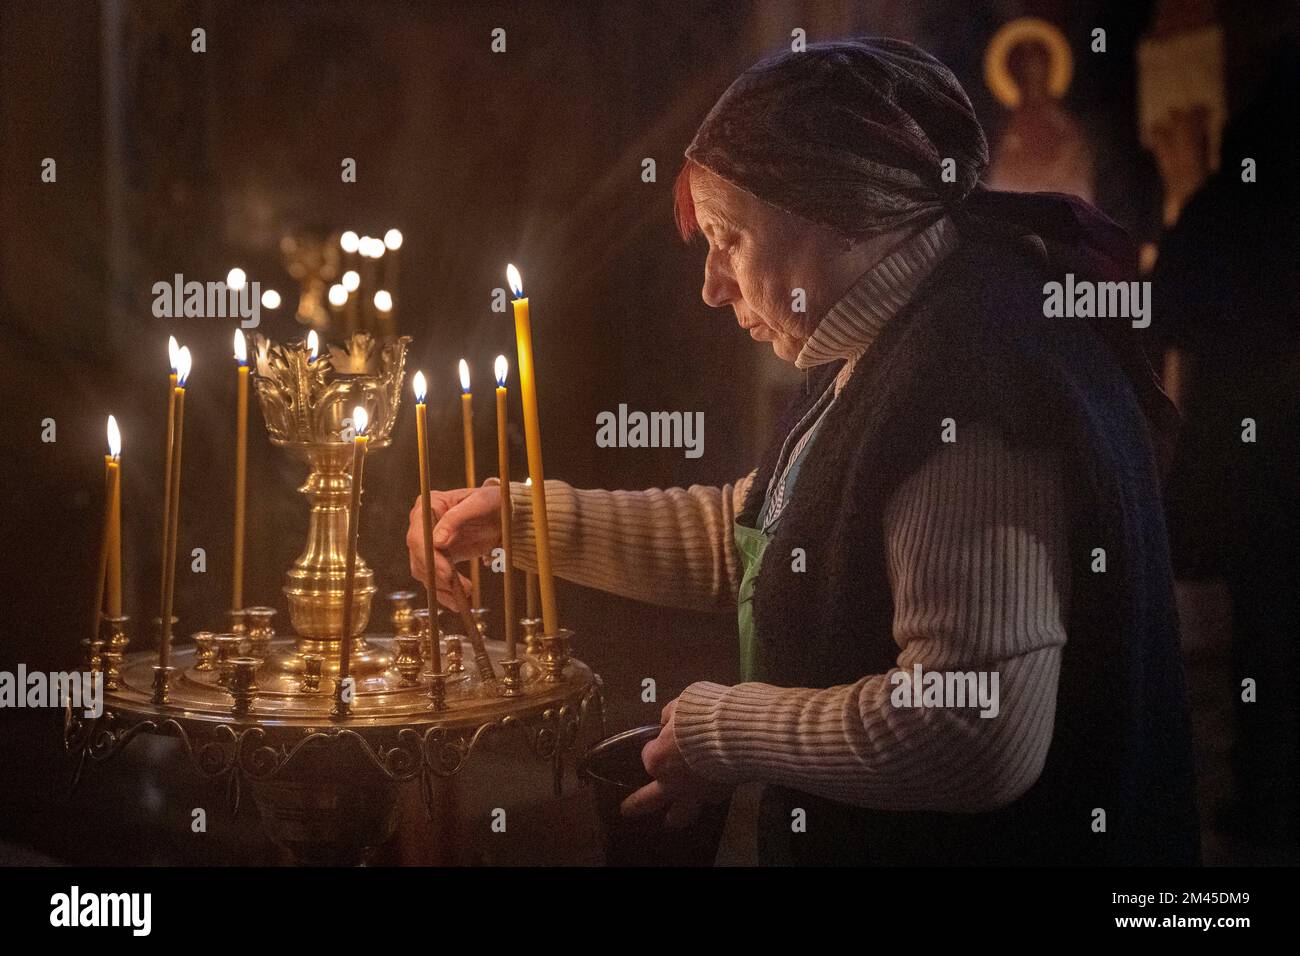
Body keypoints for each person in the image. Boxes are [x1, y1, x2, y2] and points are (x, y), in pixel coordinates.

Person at [408, 37, 1198, 865]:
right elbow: (767, 537)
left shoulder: (971, 382)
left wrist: (727, 730)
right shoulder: (881, 335)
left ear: (844, 213)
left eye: (729, 239)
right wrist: (520, 519)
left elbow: (972, 726)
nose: (711, 283)